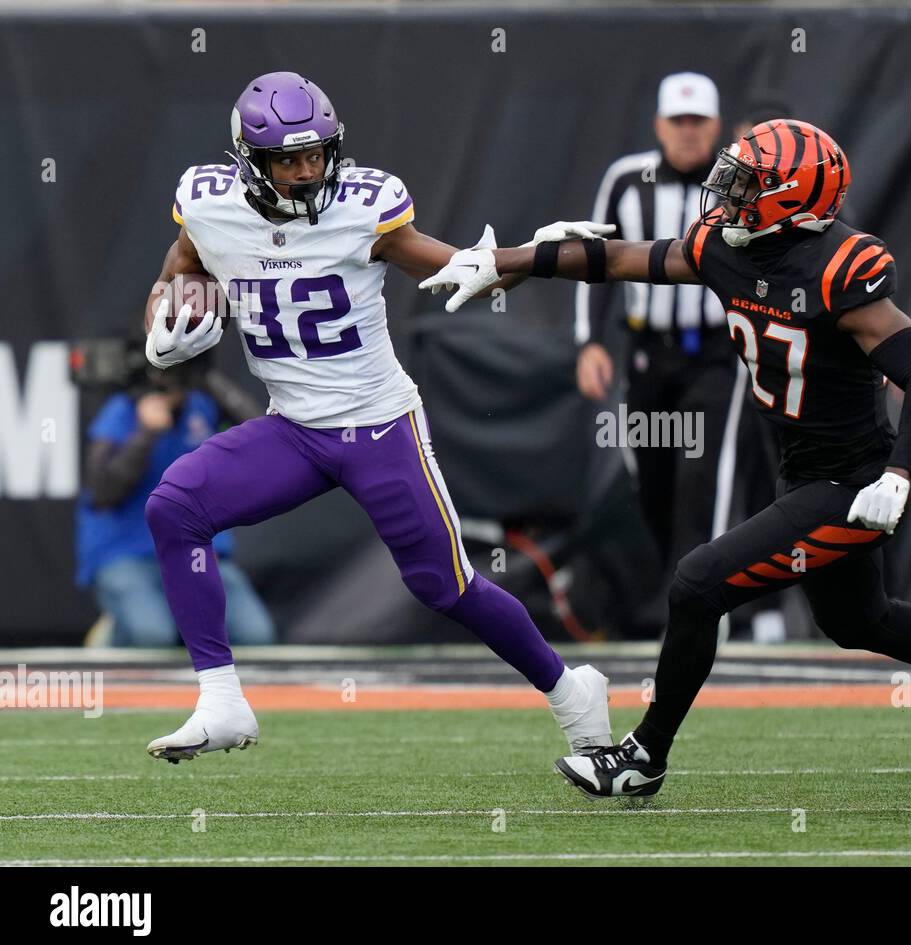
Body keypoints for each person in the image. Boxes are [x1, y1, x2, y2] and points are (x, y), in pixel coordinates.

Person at [424, 118, 911, 796]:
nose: (726, 192)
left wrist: (898, 476)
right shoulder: (725, 248)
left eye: (747, 182)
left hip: (852, 479)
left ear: (793, 197)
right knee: (856, 620)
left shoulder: (841, 268)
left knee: (698, 583)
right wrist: (508, 261)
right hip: (800, 468)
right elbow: (615, 258)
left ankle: (644, 756)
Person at [140, 70, 612, 763]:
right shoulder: (207, 203)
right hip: (294, 428)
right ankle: (221, 701)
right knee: (174, 507)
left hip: (378, 427)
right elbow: (181, 264)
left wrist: (533, 259)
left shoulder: (366, 210)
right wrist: (164, 315)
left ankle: (573, 694)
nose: (307, 170)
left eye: (317, 154)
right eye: (289, 159)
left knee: (443, 585)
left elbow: (462, 274)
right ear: (250, 162)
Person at [574, 73, 745, 589]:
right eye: (678, 121)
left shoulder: (739, 183)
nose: (688, 132)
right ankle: (680, 587)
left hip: (716, 354)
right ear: (659, 125)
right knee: (651, 481)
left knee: (701, 475)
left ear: (715, 126)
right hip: (648, 353)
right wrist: (589, 342)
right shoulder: (628, 180)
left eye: (698, 121)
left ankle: (699, 602)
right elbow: (594, 260)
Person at [77, 358, 274, 648]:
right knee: (152, 635)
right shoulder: (123, 410)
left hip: (198, 554)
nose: (170, 381)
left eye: (180, 370)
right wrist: (145, 434)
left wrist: (208, 378)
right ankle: (113, 635)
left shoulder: (203, 405)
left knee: (256, 635)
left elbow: (267, 445)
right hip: (128, 553)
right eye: (164, 369)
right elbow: (103, 493)